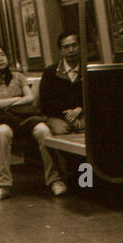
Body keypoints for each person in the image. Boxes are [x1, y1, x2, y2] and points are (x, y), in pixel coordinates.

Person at [0, 43, 37, 201]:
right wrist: (18, 99)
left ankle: (55, 178)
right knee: (3, 132)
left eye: (2, 55)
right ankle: (2, 184)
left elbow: (31, 98)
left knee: (42, 130)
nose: (0, 58)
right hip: (1, 120)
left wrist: (4, 103)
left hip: (23, 118)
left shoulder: (18, 76)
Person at [32, 31, 84, 197]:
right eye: (66, 47)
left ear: (80, 46)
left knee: (86, 135)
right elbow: (47, 101)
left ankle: (87, 180)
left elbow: (95, 95)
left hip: (82, 114)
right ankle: (64, 175)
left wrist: (79, 111)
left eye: (74, 45)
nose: (71, 50)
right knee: (60, 133)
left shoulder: (89, 71)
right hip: (57, 116)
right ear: (60, 51)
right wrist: (67, 114)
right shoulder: (51, 72)